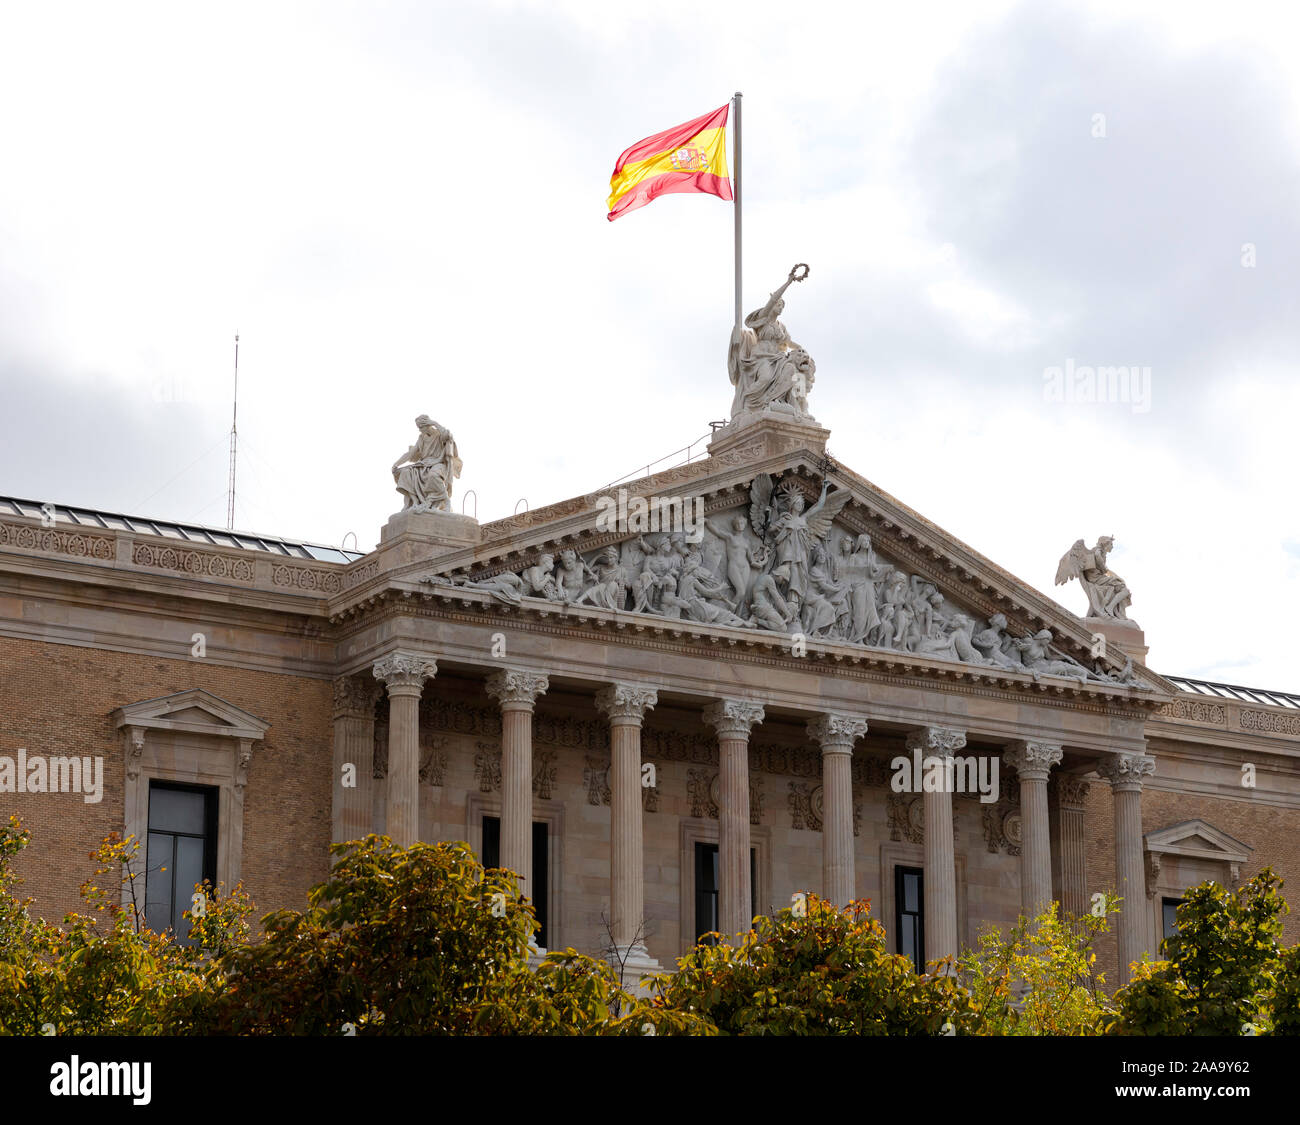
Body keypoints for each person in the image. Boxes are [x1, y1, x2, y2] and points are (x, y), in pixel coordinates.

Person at [392, 416, 462, 513]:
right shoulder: (422, 437)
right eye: (419, 428)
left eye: (421, 427)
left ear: (427, 425)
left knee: (433, 475)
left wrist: (434, 423)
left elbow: (448, 436)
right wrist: (396, 463)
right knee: (405, 472)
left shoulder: (439, 434)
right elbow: (410, 453)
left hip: (439, 463)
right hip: (424, 464)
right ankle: (416, 502)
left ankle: (446, 501)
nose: (420, 430)